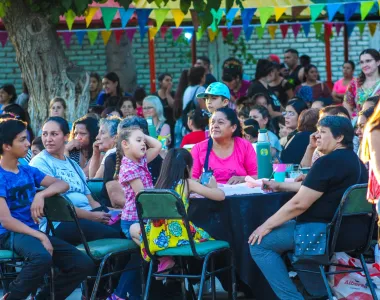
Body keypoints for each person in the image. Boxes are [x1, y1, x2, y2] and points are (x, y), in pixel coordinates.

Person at [249, 116, 368, 300]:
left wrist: (266, 226)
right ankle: (323, 296)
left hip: (321, 234)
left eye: (322, 132)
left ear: (339, 138)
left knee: (259, 244)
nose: (316, 136)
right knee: (297, 248)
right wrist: (279, 185)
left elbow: (299, 204)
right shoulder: (357, 163)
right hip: (353, 234)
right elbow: (314, 190)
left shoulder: (327, 162)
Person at [0, 118, 95, 300]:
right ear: (6, 146)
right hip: (7, 234)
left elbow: (62, 184)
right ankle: (13, 296)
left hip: (31, 233)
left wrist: (40, 195)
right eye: (21, 140)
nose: (28, 144)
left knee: (82, 263)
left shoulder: (27, 171)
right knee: (42, 257)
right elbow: (6, 221)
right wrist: (41, 235)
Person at [30, 117, 121, 241]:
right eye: (45, 134)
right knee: (115, 235)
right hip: (61, 222)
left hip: (88, 217)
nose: (48, 139)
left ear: (66, 137)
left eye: (54, 134)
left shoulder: (73, 165)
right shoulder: (40, 162)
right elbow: (58, 206)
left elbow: (91, 201)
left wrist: (107, 213)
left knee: (126, 226)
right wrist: (91, 216)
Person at [139, 148, 225, 271]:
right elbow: (220, 196)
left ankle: (165, 260)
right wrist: (214, 187)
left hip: (155, 237)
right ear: (186, 168)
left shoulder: (159, 184)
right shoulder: (187, 183)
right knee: (213, 234)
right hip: (179, 235)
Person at [101, 117, 163, 209]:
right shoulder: (113, 159)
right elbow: (117, 200)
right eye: (122, 137)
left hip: (149, 210)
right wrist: (154, 209)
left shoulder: (151, 158)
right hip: (128, 212)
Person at [191, 107, 258, 184]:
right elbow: (191, 179)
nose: (214, 126)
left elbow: (257, 176)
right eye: (212, 122)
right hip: (209, 195)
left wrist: (243, 179)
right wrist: (202, 183)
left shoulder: (245, 146)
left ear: (233, 127)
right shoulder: (198, 148)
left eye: (220, 122)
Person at [173, 67, 206, 147]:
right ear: (201, 77)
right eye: (204, 75)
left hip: (184, 122)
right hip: (195, 124)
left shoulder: (188, 89)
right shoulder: (200, 89)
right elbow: (203, 108)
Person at [344, 49, 380, 116]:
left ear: (378, 62)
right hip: (359, 124)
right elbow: (347, 104)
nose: (364, 65)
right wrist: (354, 119)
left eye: (368, 61)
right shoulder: (355, 83)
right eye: (362, 62)